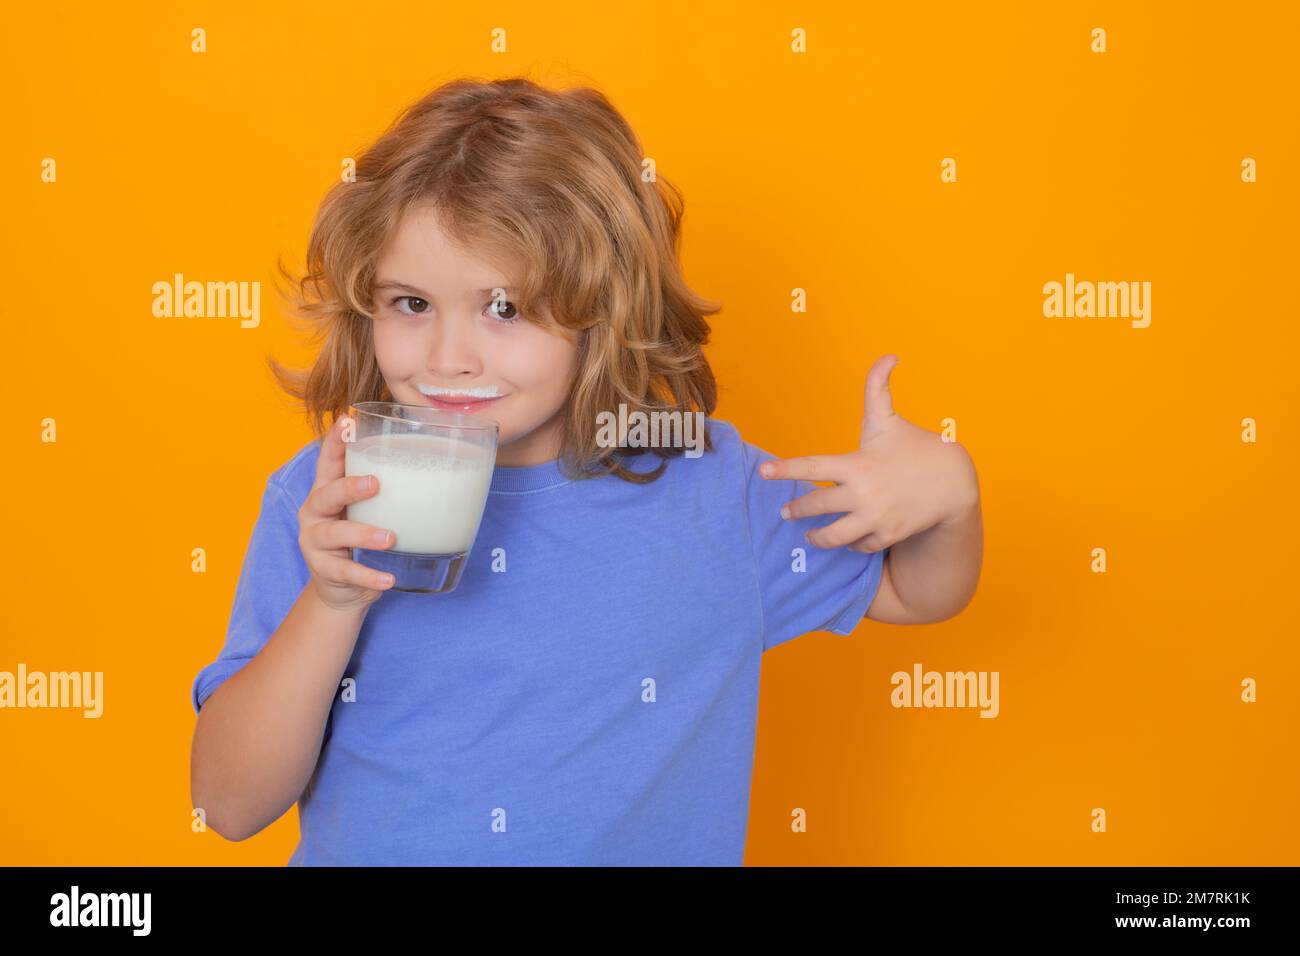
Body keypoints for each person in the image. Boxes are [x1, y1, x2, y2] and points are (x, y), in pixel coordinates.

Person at [189, 77, 983, 865]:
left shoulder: (708, 484)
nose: (447, 360)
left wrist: (948, 495)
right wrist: (334, 598)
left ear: (605, 310)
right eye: (410, 303)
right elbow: (228, 804)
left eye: (503, 308)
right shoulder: (329, 495)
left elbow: (914, 589)